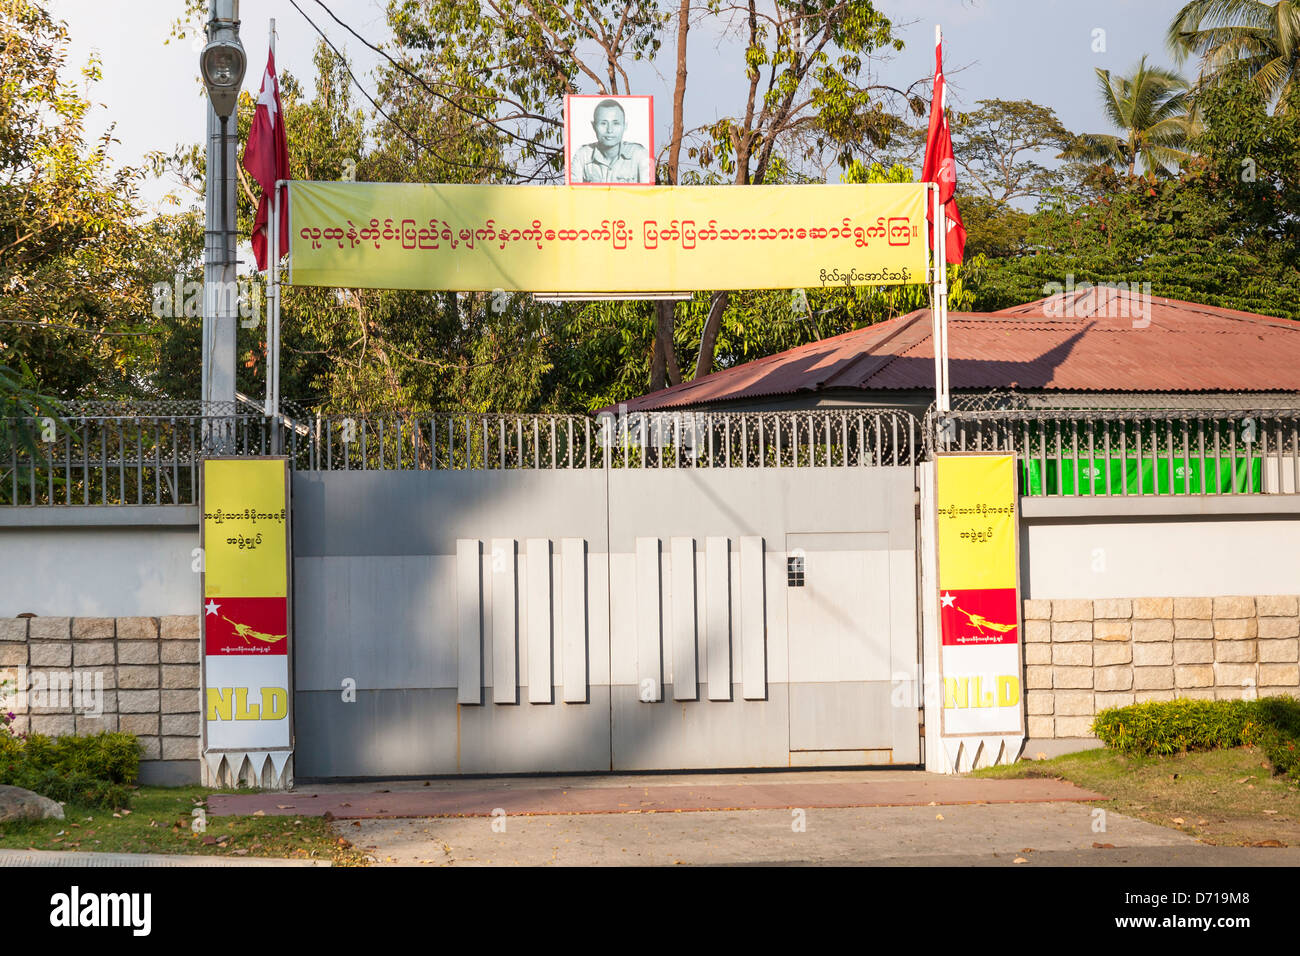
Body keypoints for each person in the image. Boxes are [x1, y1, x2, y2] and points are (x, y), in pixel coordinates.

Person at [573, 99, 652, 184]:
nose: (609, 130)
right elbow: (572, 193)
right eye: (603, 123)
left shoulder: (640, 154)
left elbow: (648, 193)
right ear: (594, 126)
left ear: (624, 126)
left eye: (616, 123)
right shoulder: (582, 155)